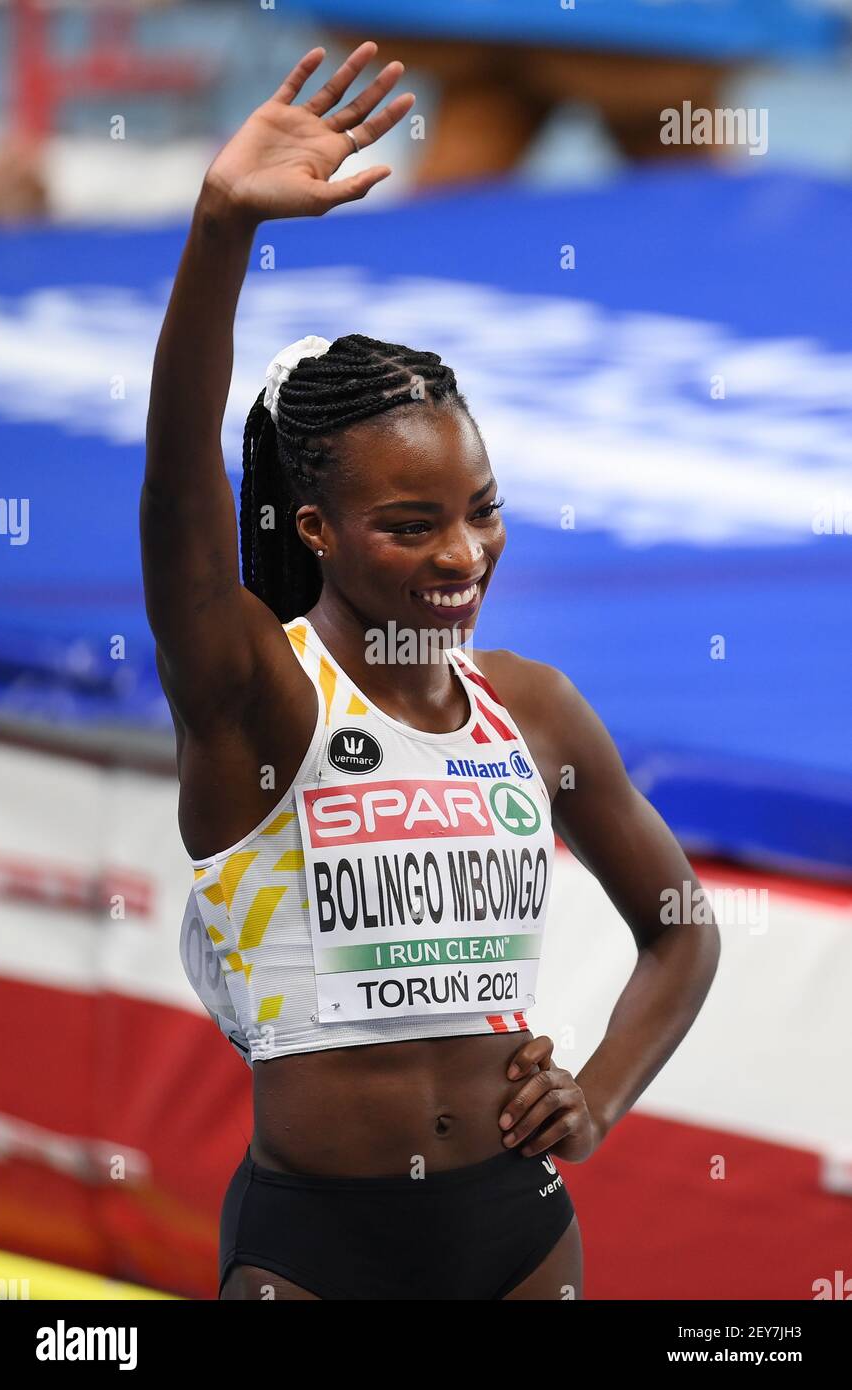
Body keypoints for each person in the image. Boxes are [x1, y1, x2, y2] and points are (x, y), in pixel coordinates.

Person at [141, 40, 721, 1301]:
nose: (463, 554)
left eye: (482, 511)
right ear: (314, 531)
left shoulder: (534, 708)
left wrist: (599, 1097)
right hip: (315, 1249)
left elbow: (680, 932)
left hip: (515, 1231)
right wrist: (218, 226)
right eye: (411, 526)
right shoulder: (259, 695)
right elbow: (179, 491)